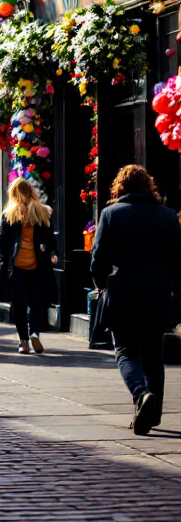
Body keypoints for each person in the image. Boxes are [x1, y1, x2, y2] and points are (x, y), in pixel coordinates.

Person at [91, 165, 181, 435]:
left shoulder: (110, 214)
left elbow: (98, 258)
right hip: (157, 292)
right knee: (154, 355)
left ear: (120, 187)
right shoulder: (167, 216)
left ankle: (141, 394)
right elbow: (178, 258)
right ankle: (152, 416)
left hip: (123, 291)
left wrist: (100, 283)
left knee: (126, 352)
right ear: (148, 186)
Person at [0, 177, 57, 355]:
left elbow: (3, 242)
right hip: (37, 265)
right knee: (36, 302)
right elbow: (51, 239)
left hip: (16, 267)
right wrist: (52, 252)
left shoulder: (10, 214)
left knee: (20, 304)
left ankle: (24, 340)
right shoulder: (42, 212)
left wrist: (0, 262)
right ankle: (34, 333)